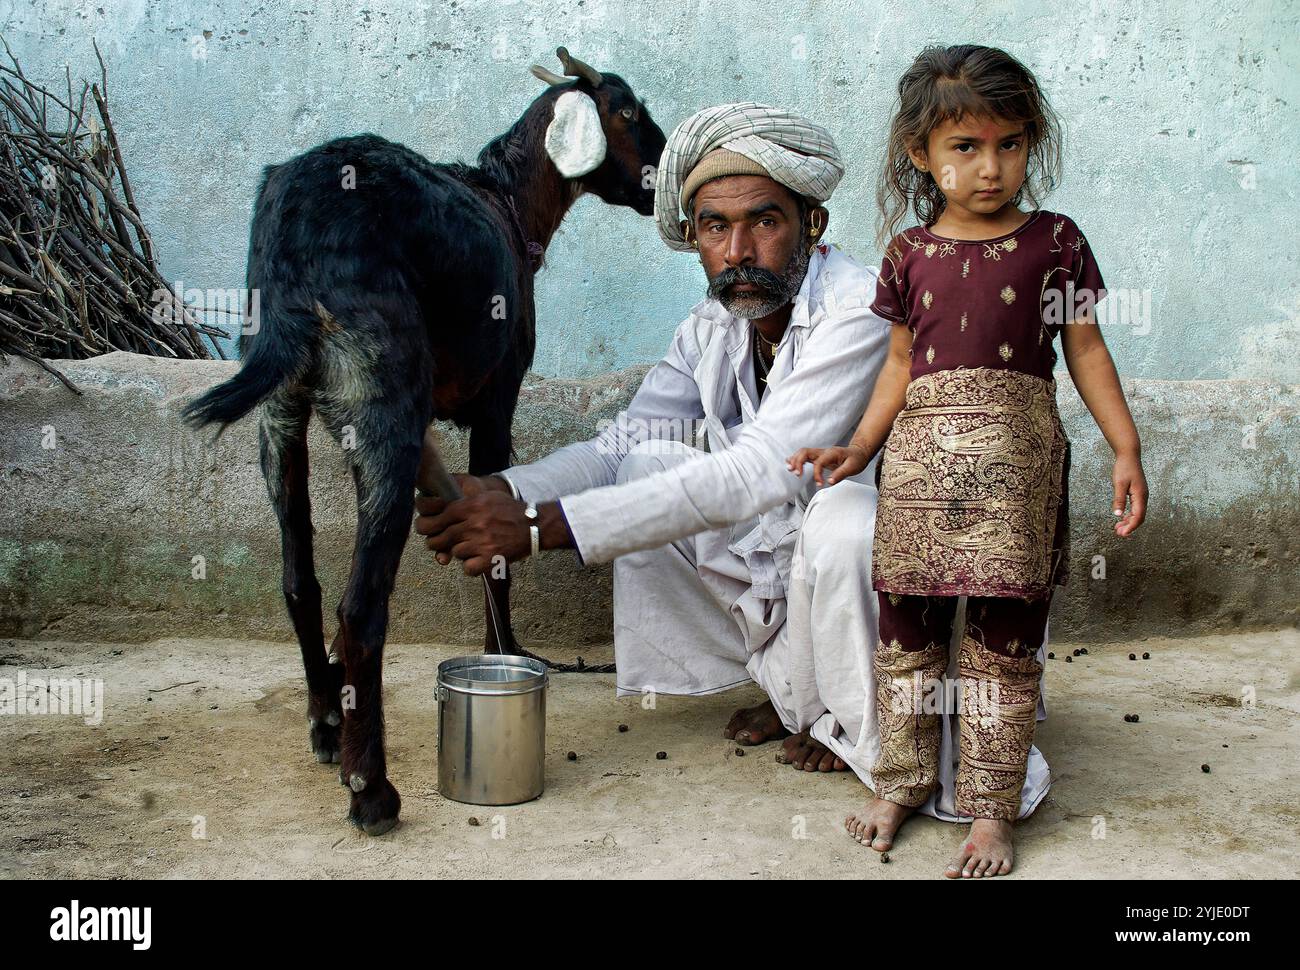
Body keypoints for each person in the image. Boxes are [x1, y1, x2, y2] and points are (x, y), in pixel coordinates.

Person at [416, 102, 899, 774]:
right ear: (692, 236)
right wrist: (496, 492)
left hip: (880, 580)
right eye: (714, 227)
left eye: (764, 221)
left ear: (812, 224)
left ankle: (855, 720)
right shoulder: (712, 323)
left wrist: (535, 526)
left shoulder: (859, 308)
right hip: (794, 567)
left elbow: (762, 472)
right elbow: (618, 449)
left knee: (841, 521)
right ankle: (798, 696)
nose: (737, 252)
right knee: (647, 462)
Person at [787, 44, 1148, 878]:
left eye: (1010, 144)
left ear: (1029, 143)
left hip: (1016, 481)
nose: (991, 168)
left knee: (1003, 644)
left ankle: (992, 812)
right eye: (965, 147)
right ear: (921, 153)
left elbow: (1086, 352)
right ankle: (903, 779)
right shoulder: (909, 252)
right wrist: (860, 446)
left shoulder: (1056, 243)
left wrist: (1124, 445)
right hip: (917, 481)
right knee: (905, 637)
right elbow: (897, 366)